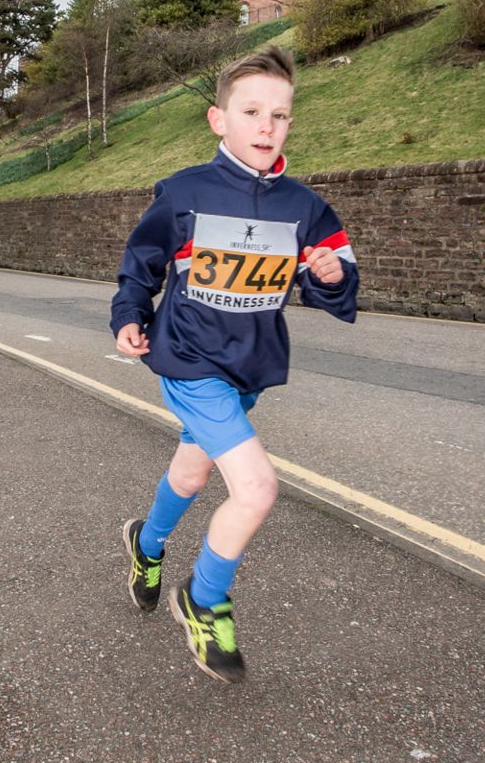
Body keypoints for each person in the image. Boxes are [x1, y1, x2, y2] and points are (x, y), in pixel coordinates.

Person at [110, 47, 358, 684]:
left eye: (279, 114)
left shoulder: (307, 208)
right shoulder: (184, 193)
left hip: (250, 366)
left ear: (289, 124)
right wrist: (128, 314)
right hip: (189, 358)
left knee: (192, 473)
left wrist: (330, 275)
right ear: (219, 119)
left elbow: (336, 286)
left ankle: (147, 544)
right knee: (256, 488)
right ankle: (203, 598)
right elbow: (141, 265)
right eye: (252, 111)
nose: (266, 125)